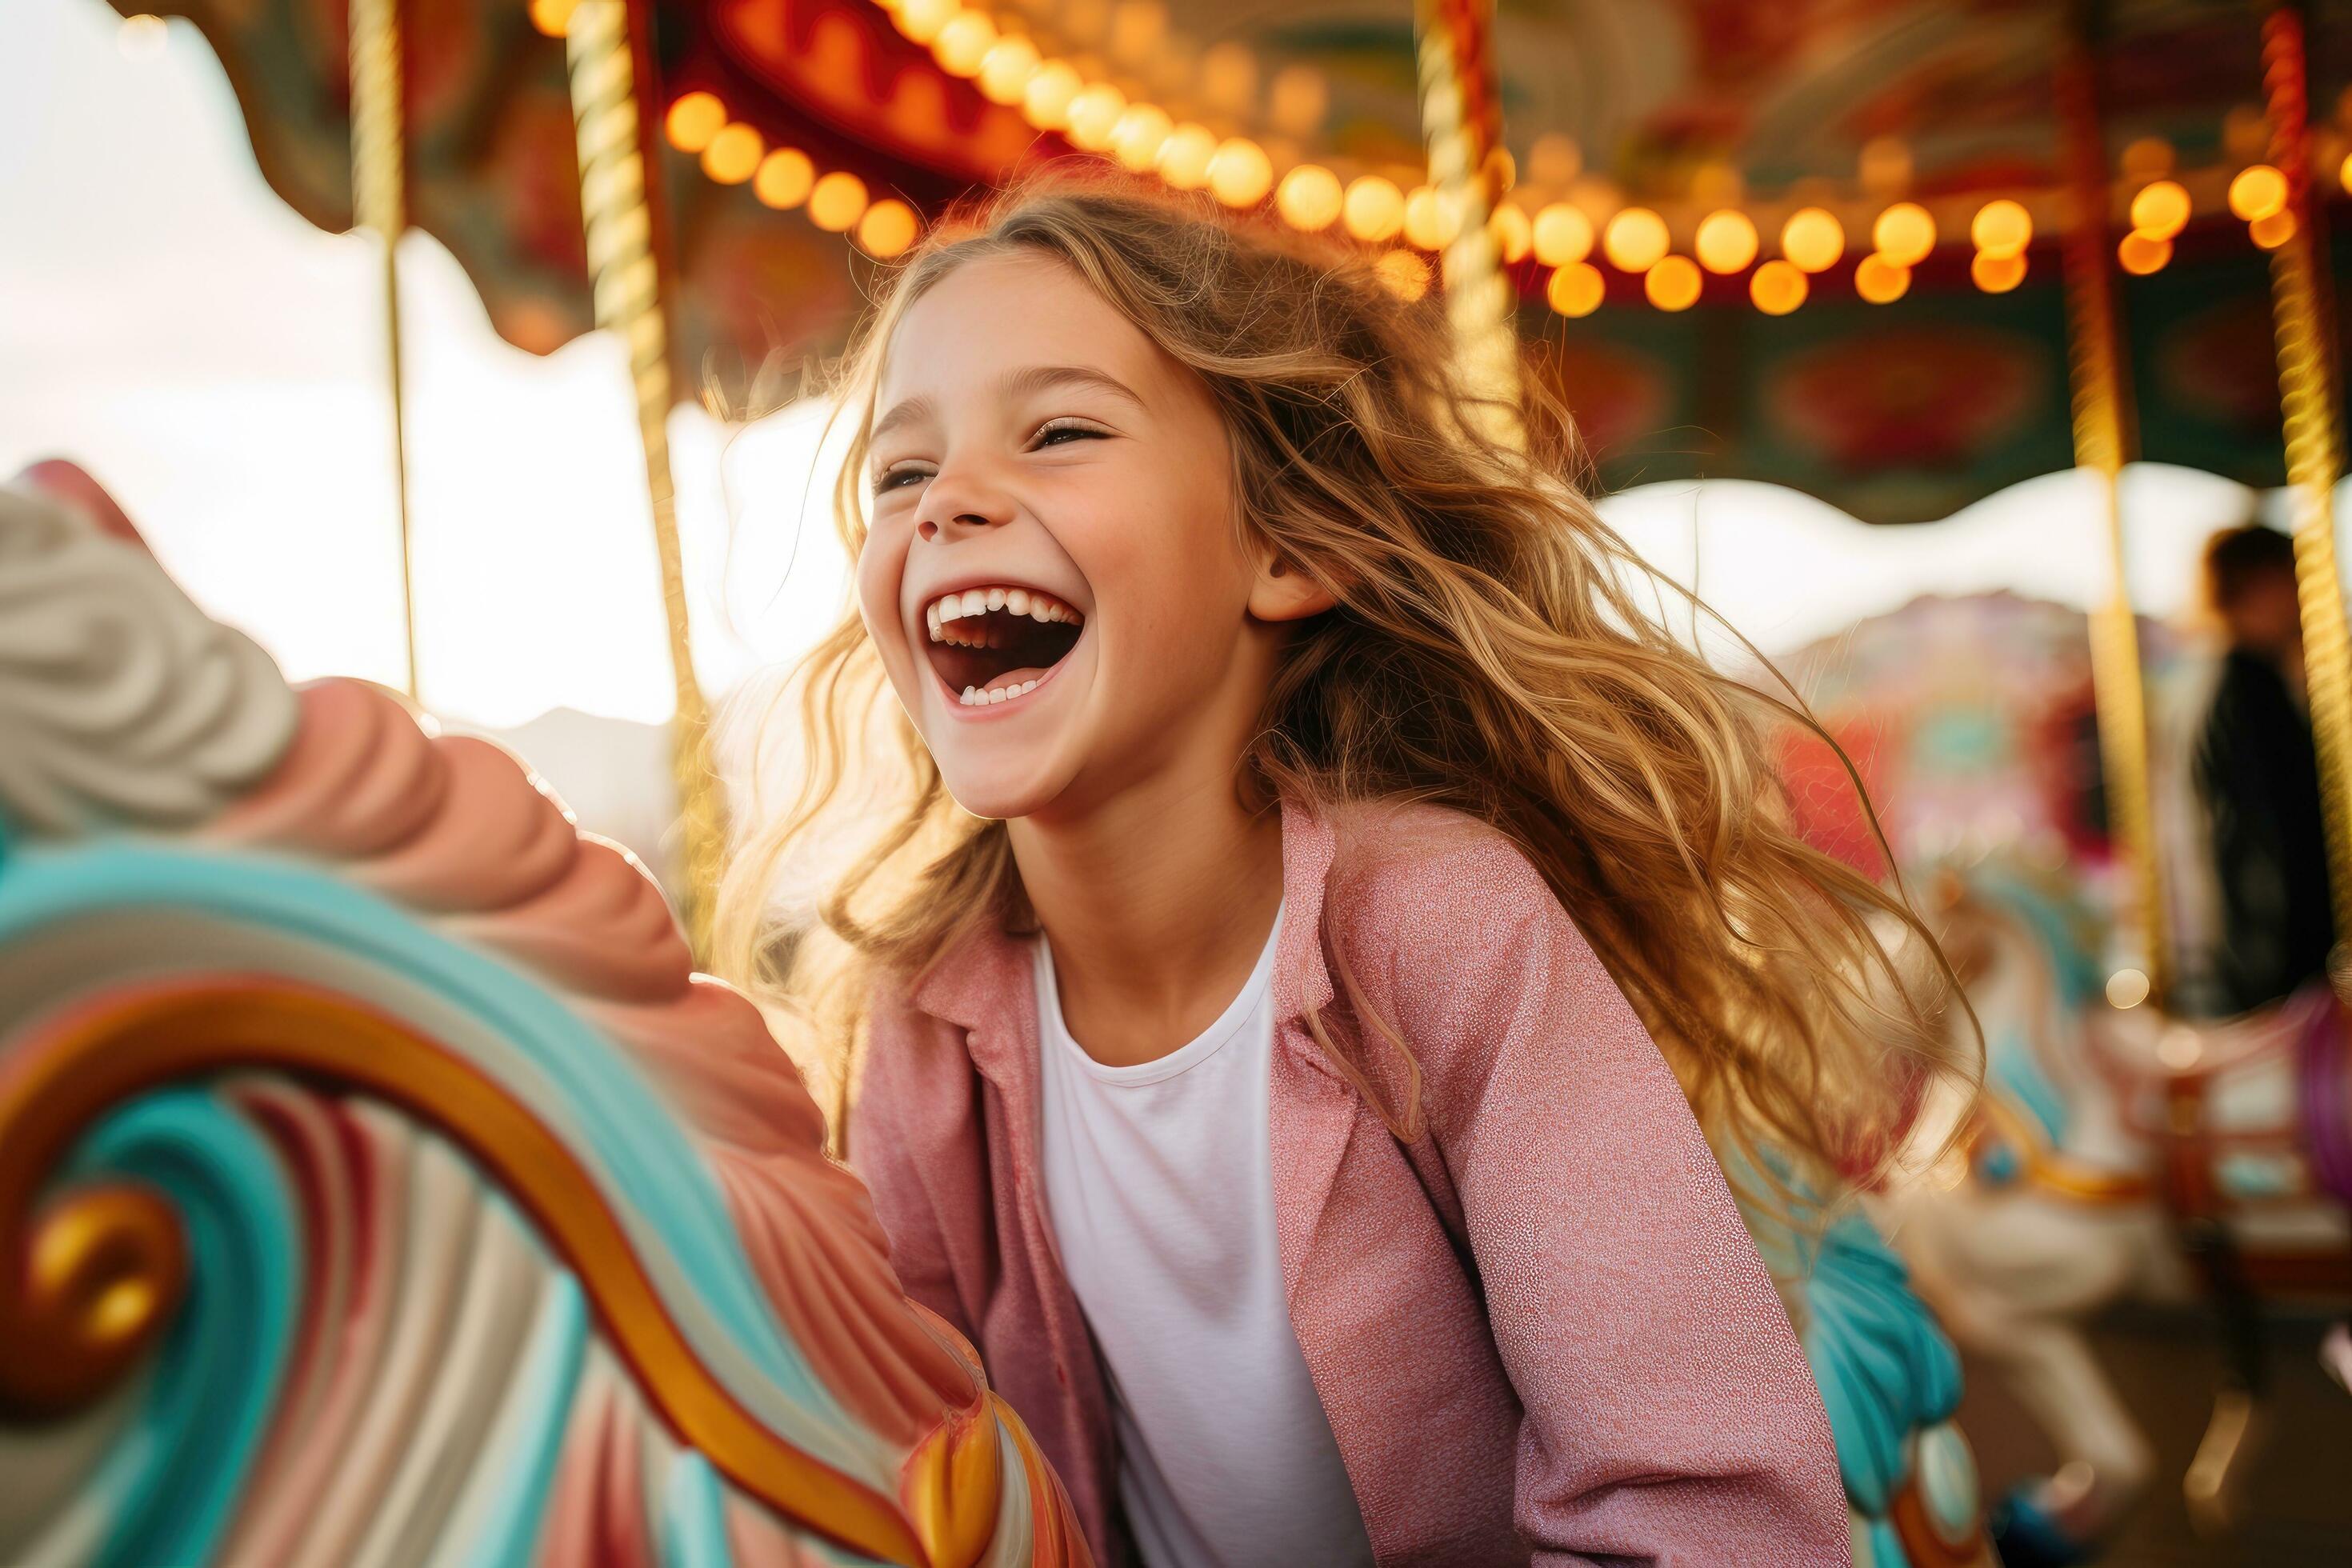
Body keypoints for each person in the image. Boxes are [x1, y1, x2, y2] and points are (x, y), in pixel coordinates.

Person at [716, 176, 1962, 1566]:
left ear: (1288, 546)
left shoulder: (1437, 925)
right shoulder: (931, 1015)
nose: (947, 502)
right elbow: (920, 1458)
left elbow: (1703, 1498)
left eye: (1058, 431)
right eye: (902, 472)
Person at [2194, 522, 2335, 1012]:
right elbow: (2285, 830)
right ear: (2252, 588)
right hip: (2284, 947)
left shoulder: (2253, 686)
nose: (2305, 596)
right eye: (2289, 579)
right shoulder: (2248, 697)